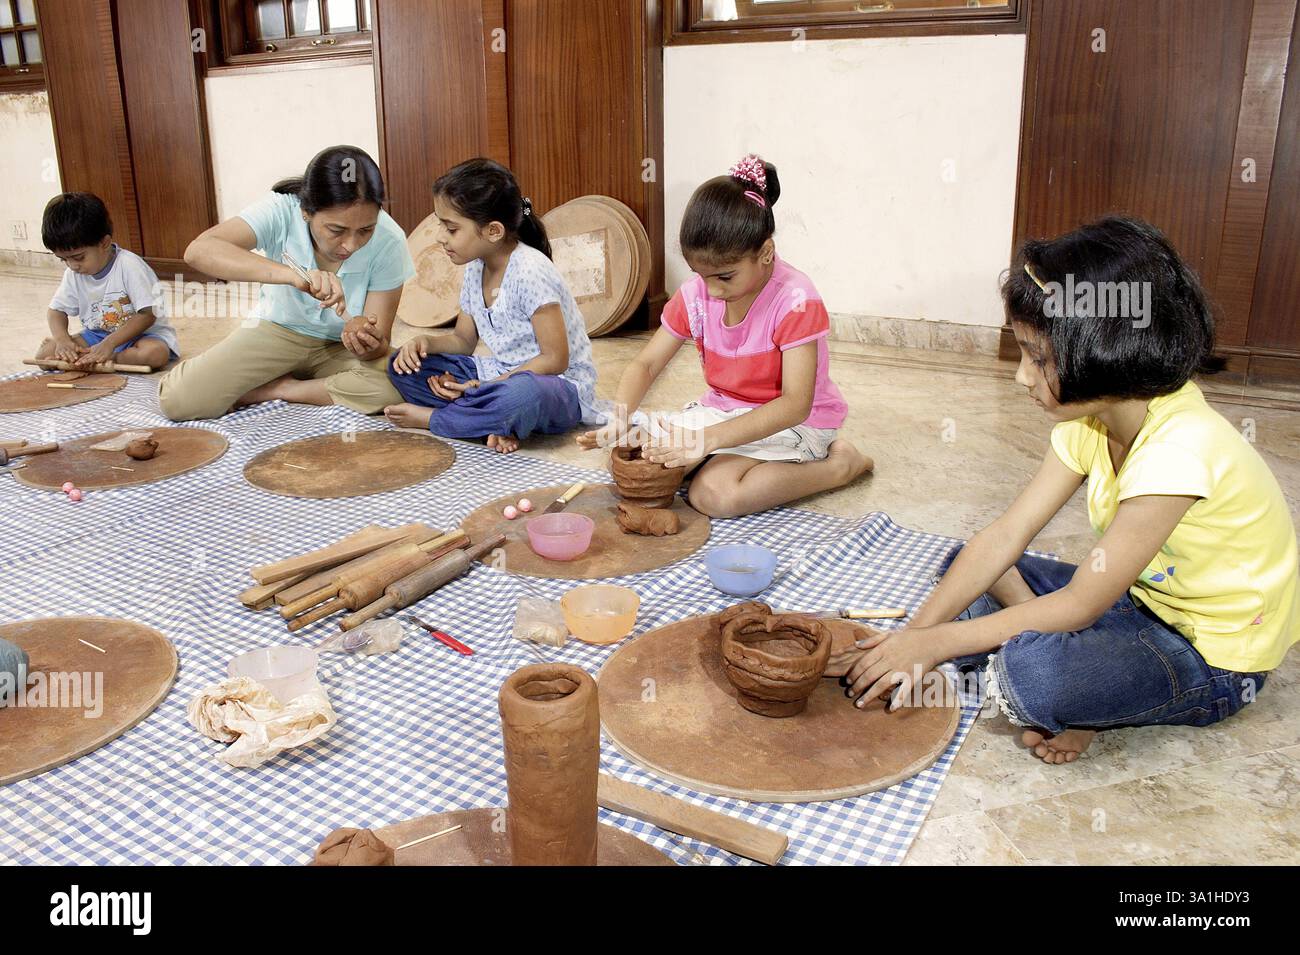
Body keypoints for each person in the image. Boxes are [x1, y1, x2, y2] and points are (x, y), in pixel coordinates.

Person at [843, 216, 1298, 764]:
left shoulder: (1181, 450)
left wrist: (934, 645)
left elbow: (1083, 601)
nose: (1022, 377)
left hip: (1211, 656)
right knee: (968, 564)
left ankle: (1083, 688)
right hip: (1134, 602)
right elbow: (1006, 534)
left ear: (1103, 350)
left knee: (1032, 676)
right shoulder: (1092, 424)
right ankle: (1085, 680)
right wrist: (912, 638)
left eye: (1038, 358)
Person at [577, 154, 871, 517]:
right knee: (636, 463)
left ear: (766, 253)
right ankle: (720, 457)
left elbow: (795, 404)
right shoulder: (697, 293)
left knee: (714, 495)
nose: (711, 291)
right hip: (723, 413)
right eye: (701, 275)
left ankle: (838, 466)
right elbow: (647, 363)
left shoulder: (795, 299)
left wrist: (706, 442)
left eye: (725, 277)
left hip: (794, 421)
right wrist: (620, 417)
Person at [158, 145, 413, 420]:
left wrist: (367, 342)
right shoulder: (281, 210)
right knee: (179, 399)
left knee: (402, 386)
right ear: (306, 211)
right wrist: (294, 276)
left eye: (366, 230)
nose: (350, 245)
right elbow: (199, 251)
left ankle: (277, 389)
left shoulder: (389, 239)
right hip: (277, 331)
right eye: (336, 230)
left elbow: (379, 343)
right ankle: (303, 386)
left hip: (340, 347)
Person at [385, 158, 599, 454]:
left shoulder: (531, 270)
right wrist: (424, 342)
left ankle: (440, 418)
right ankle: (492, 420)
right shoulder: (476, 267)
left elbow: (554, 360)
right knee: (401, 366)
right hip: (497, 373)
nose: (440, 237)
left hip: (554, 386)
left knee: (523, 395)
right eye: (441, 226)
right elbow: (462, 340)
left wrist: (483, 387)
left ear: (493, 231)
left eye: (451, 229)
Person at [36, 192, 177, 370]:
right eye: (63, 259)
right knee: (44, 355)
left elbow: (148, 314)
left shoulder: (130, 266)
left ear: (104, 243)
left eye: (78, 257)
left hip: (141, 336)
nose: (72, 266)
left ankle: (113, 358)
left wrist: (110, 345)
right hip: (97, 336)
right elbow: (56, 311)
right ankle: (91, 357)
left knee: (154, 354)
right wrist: (62, 340)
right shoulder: (73, 274)